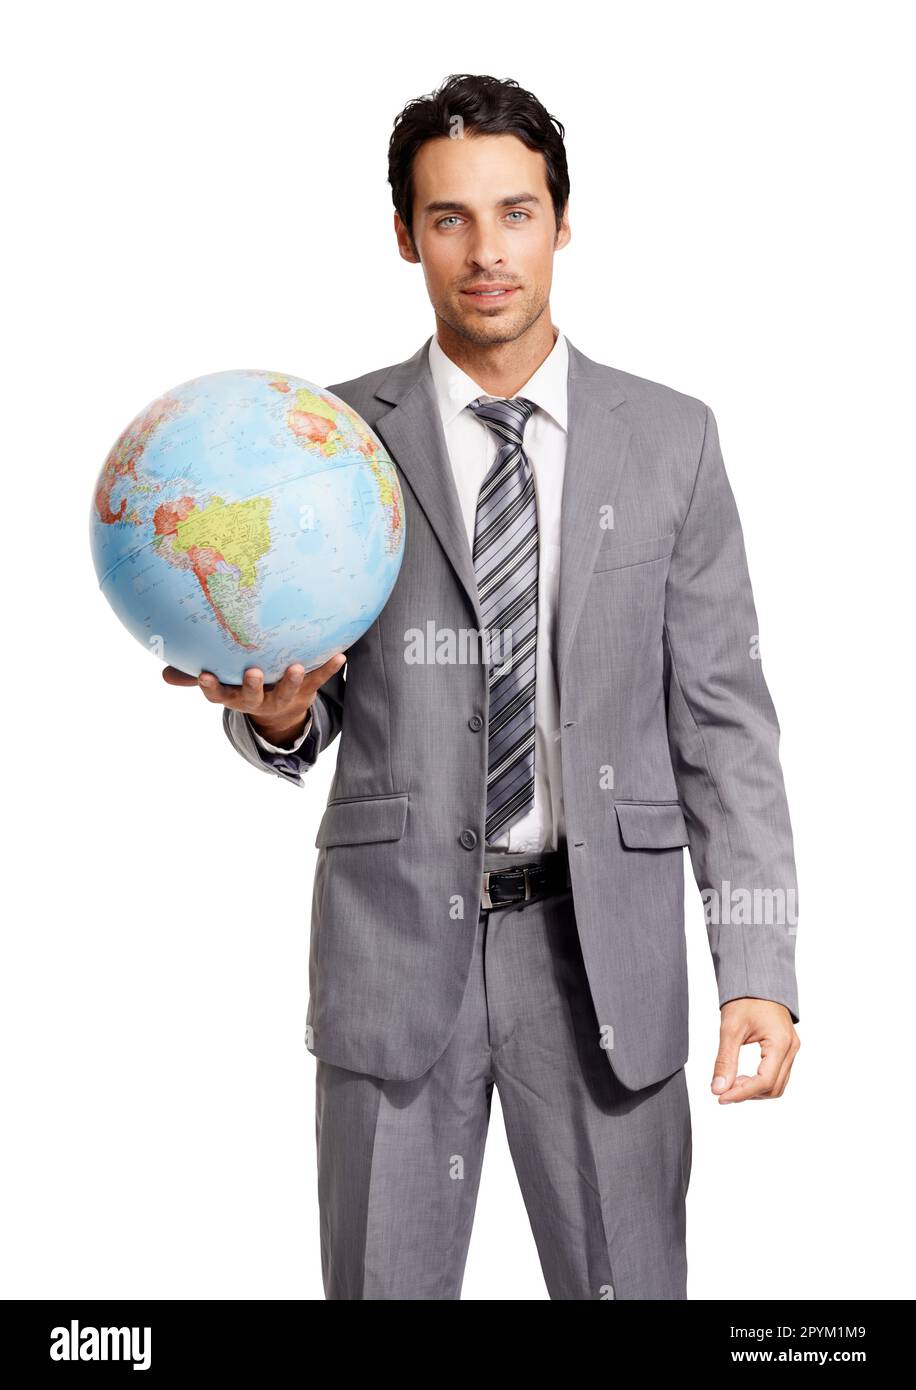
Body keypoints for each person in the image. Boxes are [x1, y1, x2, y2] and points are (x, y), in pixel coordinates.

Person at [165, 73, 800, 1300]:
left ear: (562, 222)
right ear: (404, 235)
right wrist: (281, 715)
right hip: (395, 957)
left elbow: (725, 722)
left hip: (601, 958)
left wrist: (758, 963)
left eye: (514, 212)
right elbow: (309, 704)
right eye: (448, 218)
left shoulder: (672, 441)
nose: (485, 250)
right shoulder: (332, 444)